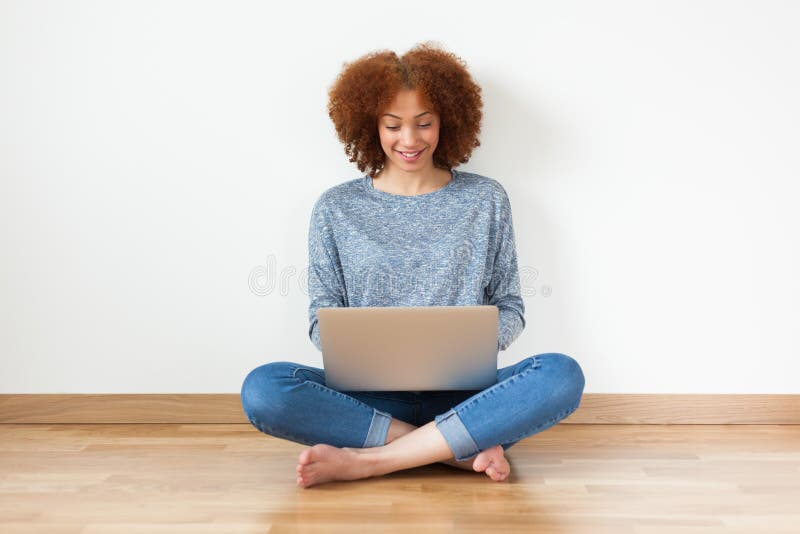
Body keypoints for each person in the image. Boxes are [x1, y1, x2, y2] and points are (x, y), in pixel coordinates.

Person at [241, 42, 586, 489]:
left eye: (424, 123)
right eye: (393, 125)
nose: (410, 140)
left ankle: (371, 461)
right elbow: (319, 318)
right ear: (370, 126)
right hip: (370, 403)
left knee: (561, 375)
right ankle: (452, 452)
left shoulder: (486, 200)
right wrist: (357, 347)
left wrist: (473, 343)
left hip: (470, 398)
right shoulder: (336, 209)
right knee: (264, 389)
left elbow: (510, 305)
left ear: (447, 121)